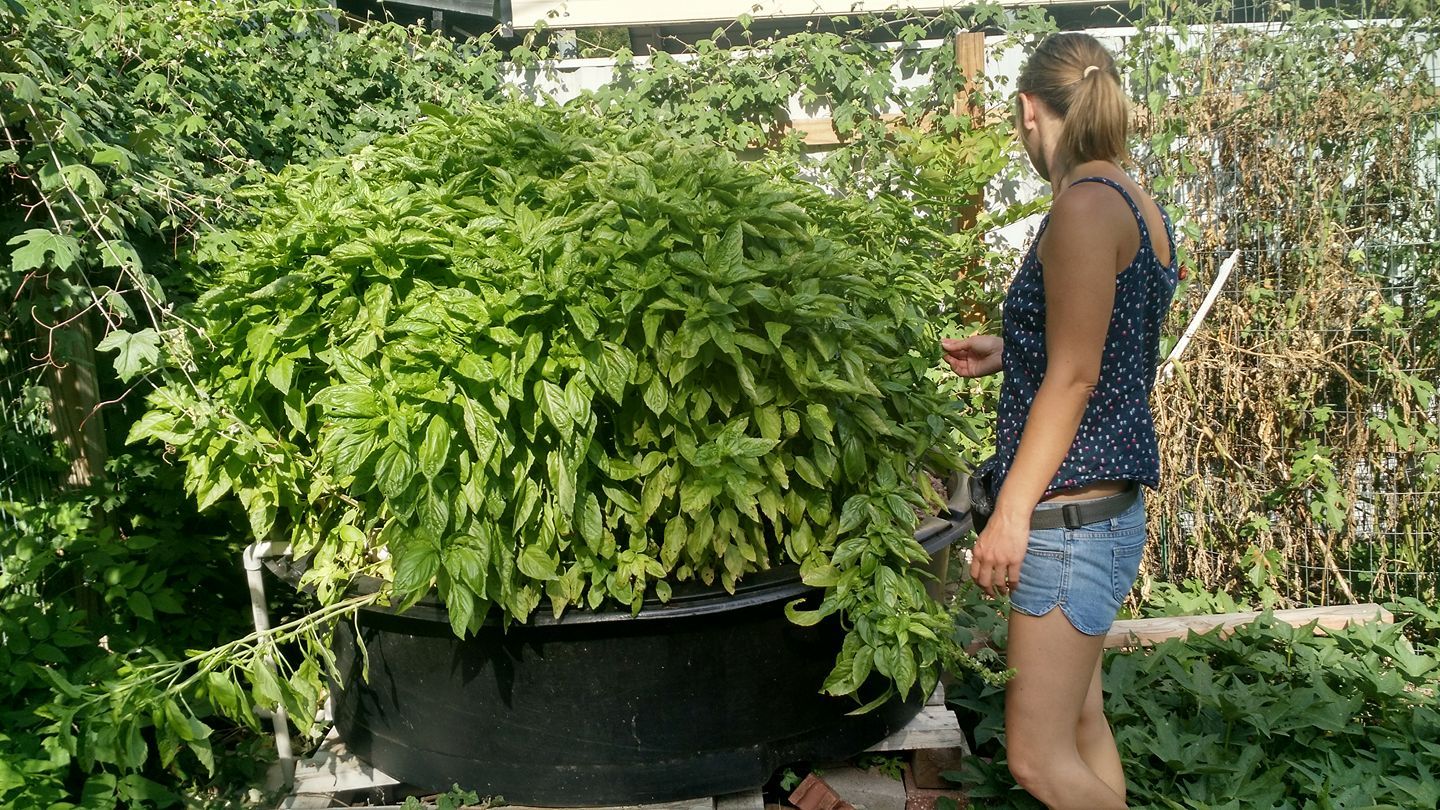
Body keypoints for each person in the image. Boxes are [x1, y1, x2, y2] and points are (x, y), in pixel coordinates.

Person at [942, 32, 1179, 810]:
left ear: (1028, 112)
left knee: (1038, 761)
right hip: (1101, 511)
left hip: (1067, 518)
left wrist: (1009, 515)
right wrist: (1014, 346)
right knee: (1080, 725)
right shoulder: (1135, 202)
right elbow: (1099, 344)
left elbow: (1076, 377)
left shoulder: (1081, 208)